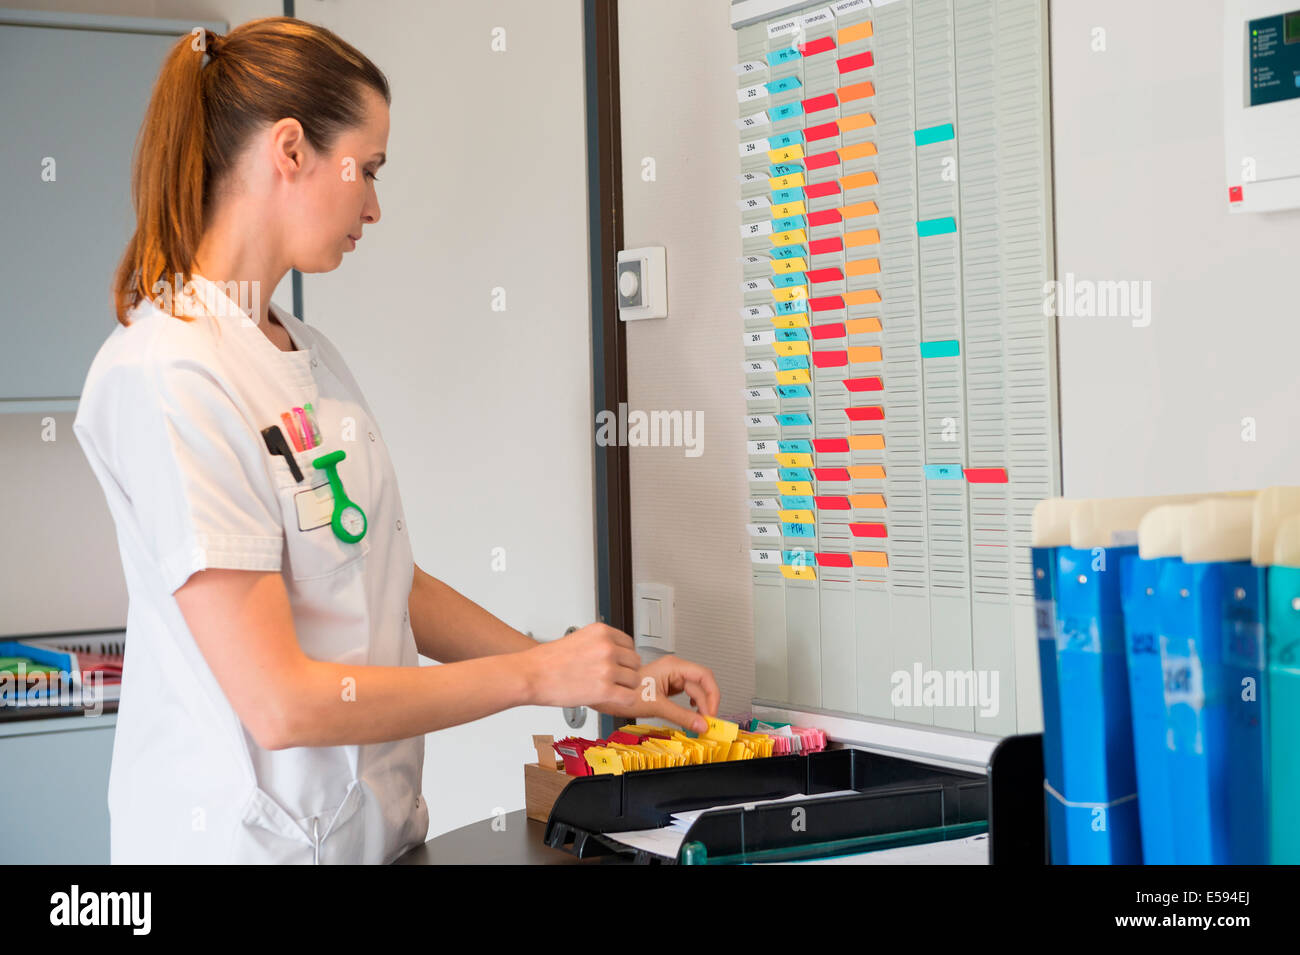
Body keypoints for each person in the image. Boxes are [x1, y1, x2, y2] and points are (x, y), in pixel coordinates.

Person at [72, 16, 719, 865]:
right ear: (291, 150)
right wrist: (533, 680)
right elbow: (281, 703)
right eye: (367, 169)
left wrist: (584, 669)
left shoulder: (307, 353)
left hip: (369, 838)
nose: (375, 205)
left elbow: (386, 584)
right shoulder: (167, 370)